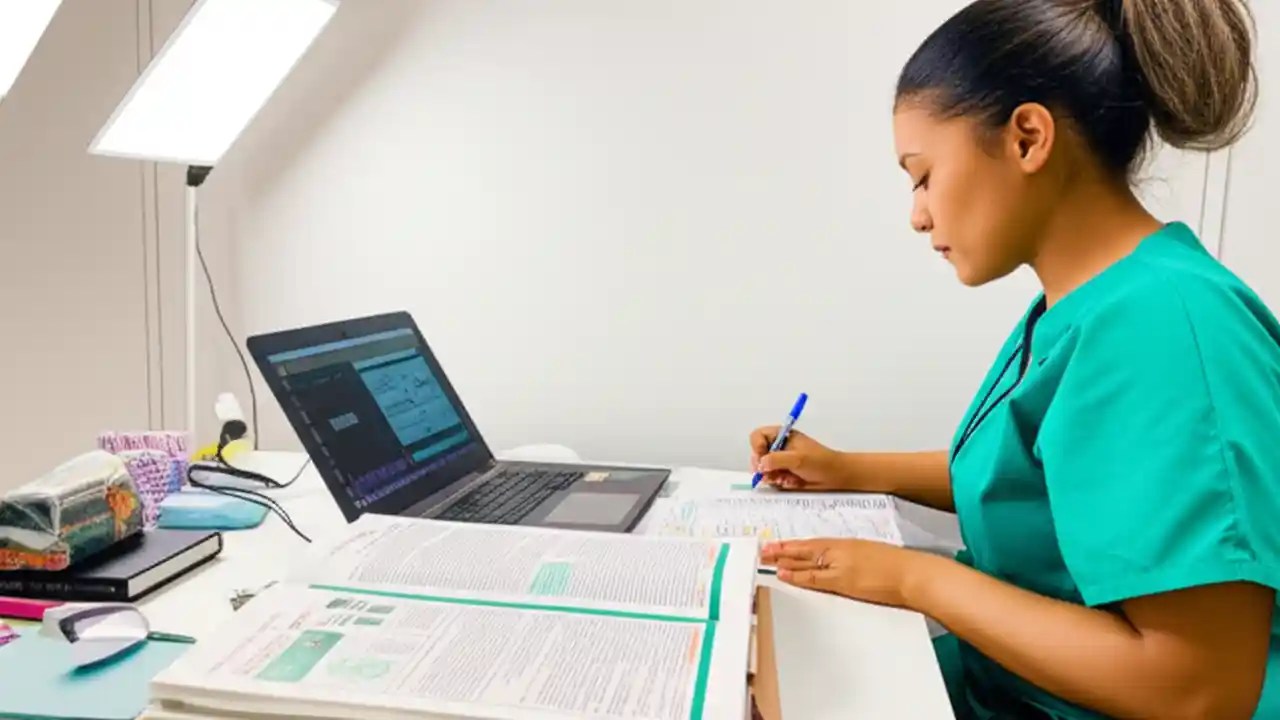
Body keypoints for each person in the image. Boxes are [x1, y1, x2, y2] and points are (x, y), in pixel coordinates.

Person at [750, 0, 1278, 718]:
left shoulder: (1168, 327)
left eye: (923, 174)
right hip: (1004, 687)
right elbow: (1035, 474)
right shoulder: (1084, 307)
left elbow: (1198, 688)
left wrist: (916, 580)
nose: (918, 213)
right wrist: (846, 470)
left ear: (1028, 137)